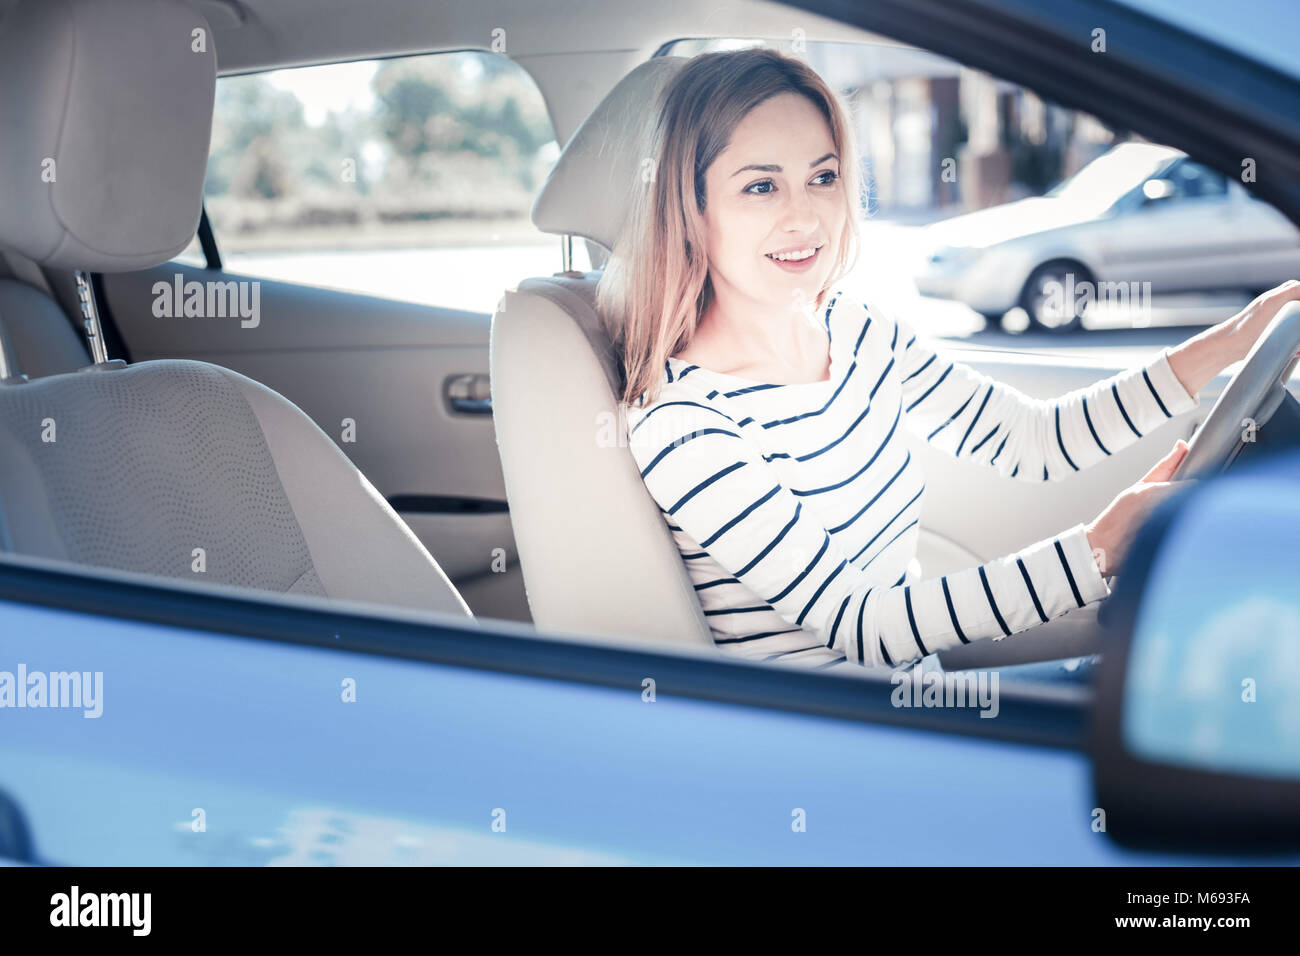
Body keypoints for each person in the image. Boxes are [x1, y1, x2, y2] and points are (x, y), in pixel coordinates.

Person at [596, 47, 1300, 672]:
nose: (806, 217)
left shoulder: (855, 328)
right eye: (760, 186)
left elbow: (1032, 440)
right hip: (840, 751)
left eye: (823, 176)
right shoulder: (685, 425)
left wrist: (1238, 339)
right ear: (689, 209)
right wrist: (1100, 549)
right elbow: (864, 627)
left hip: (922, 696)